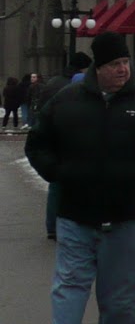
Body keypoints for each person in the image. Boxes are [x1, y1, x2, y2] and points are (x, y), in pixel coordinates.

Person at [26, 32, 135, 324]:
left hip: (129, 213)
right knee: (69, 283)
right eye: (114, 65)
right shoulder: (67, 102)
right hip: (76, 213)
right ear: (99, 67)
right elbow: (37, 143)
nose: (122, 69)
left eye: (125, 62)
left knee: (121, 287)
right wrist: (56, 172)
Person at [38, 53, 92, 241]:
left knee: (56, 184)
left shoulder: (53, 83)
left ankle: (52, 225)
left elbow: (42, 112)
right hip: (72, 141)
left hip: (54, 140)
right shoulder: (79, 86)